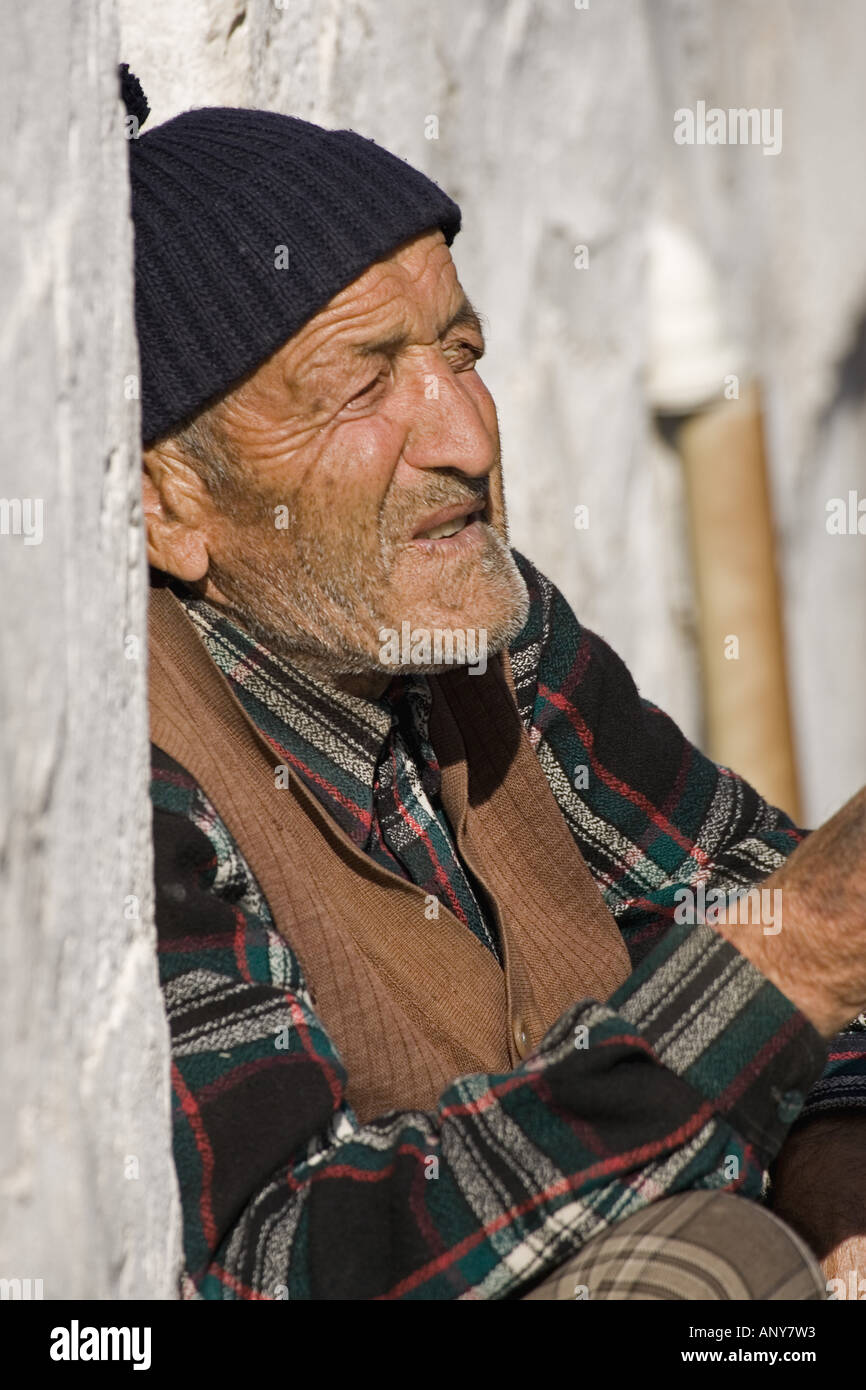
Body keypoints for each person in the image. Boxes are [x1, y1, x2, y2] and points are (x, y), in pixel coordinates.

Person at [122, 66, 866, 1301]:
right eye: (362, 383)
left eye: (459, 352)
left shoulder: (480, 634)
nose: (465, 436)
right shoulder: (143, 786)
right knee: (708, 1272)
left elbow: (776, 938)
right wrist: (798, 954)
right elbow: (278, 1266)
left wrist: (838, 1174)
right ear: (170, 503)